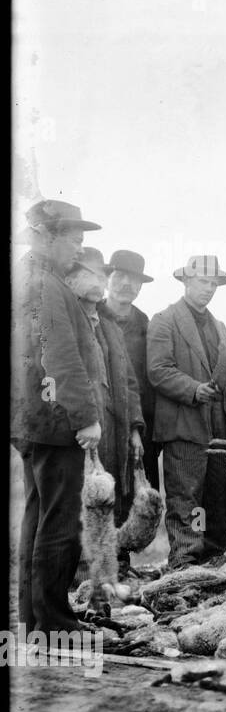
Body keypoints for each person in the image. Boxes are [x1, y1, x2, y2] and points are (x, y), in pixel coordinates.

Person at [14, 200, 105, 631]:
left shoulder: (24, 277)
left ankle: (34, 617)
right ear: (50, 236)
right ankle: (52, 621)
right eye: (75, 240)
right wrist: (84, 416)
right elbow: (62, 356)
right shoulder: (47, 284)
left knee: (37, 517)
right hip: (56, 422)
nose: (78, 250)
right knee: (61, 522)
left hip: (31, 421)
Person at [148, 255, 226, 568]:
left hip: (222, 429)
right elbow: (158, 370)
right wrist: (193, 389)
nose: (209, 289)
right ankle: (186, 562)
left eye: (213, 283)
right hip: (184, 425)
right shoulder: (164, 320)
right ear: (186, 281)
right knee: (187, 497)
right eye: (203, 281)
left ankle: (213, 558)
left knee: (219, 498)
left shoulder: (220, 327)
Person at [67, 249, 145, 569]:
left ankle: (117, 565)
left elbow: (128, 382)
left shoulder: (111, 326)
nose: (100, 284)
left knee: (116, 492)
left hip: (117, 425)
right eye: (94, 276)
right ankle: (82, 571)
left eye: (101, 276)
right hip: (84, 425)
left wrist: (136, 429)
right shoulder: (69, 319)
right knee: (84, 496)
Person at [101, 249, 160, 490]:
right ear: (107, 278)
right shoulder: (89, 316)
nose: (126, 283)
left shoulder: (149, 326)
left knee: (143, 499)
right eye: (119, 275)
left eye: (134, 278)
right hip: (100, 429)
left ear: (141, 286)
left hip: (140, 430)